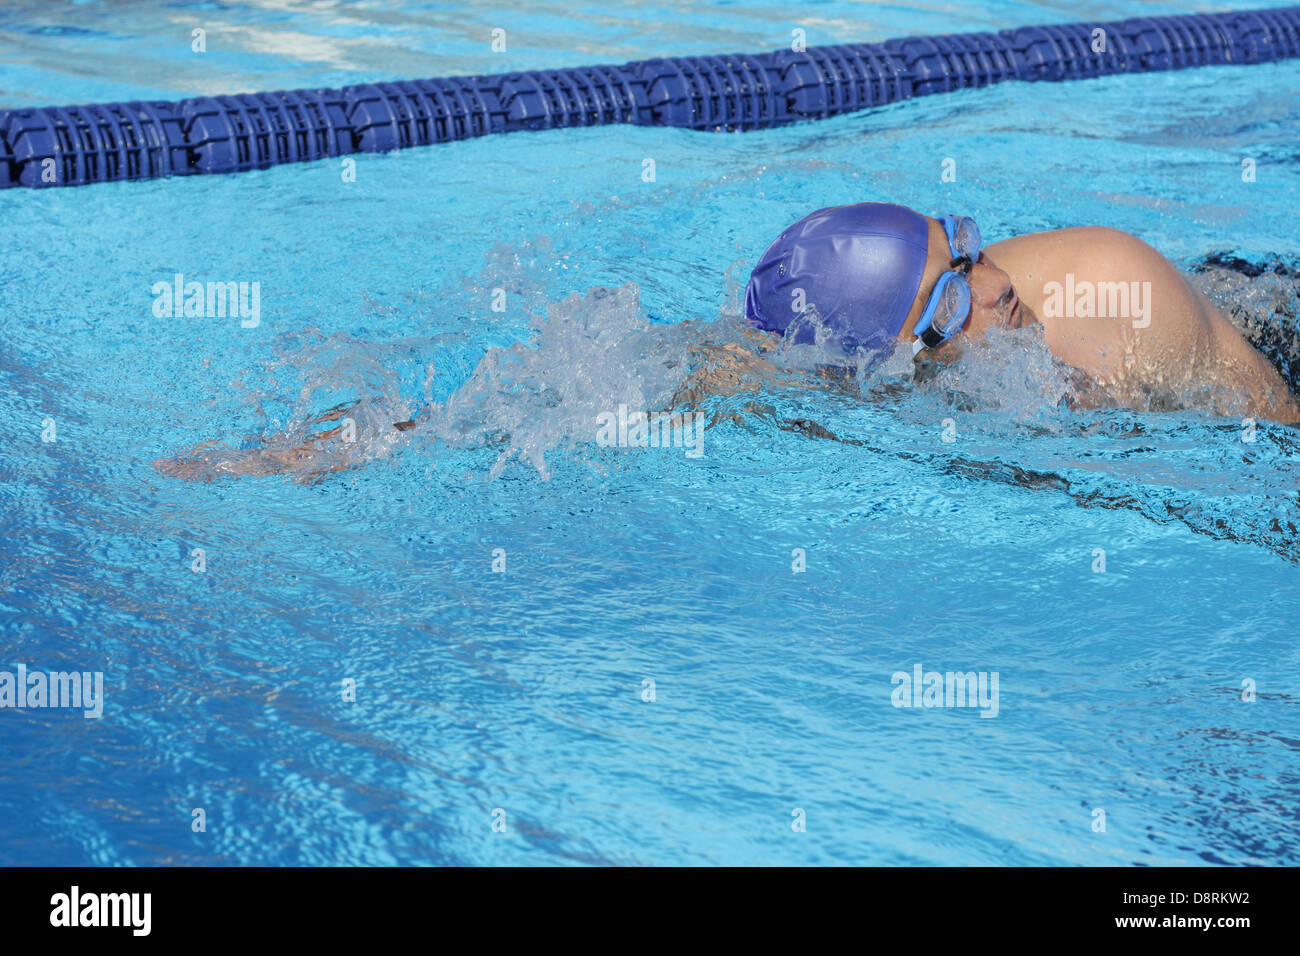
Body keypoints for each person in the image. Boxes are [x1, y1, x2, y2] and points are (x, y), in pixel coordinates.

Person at [740, 202, 1299, 421]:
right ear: (895, 356)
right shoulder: (858, 377)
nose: (998, 283)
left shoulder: (1120, 294)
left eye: (967, 248)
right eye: (951, 301)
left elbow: (1280, 428)